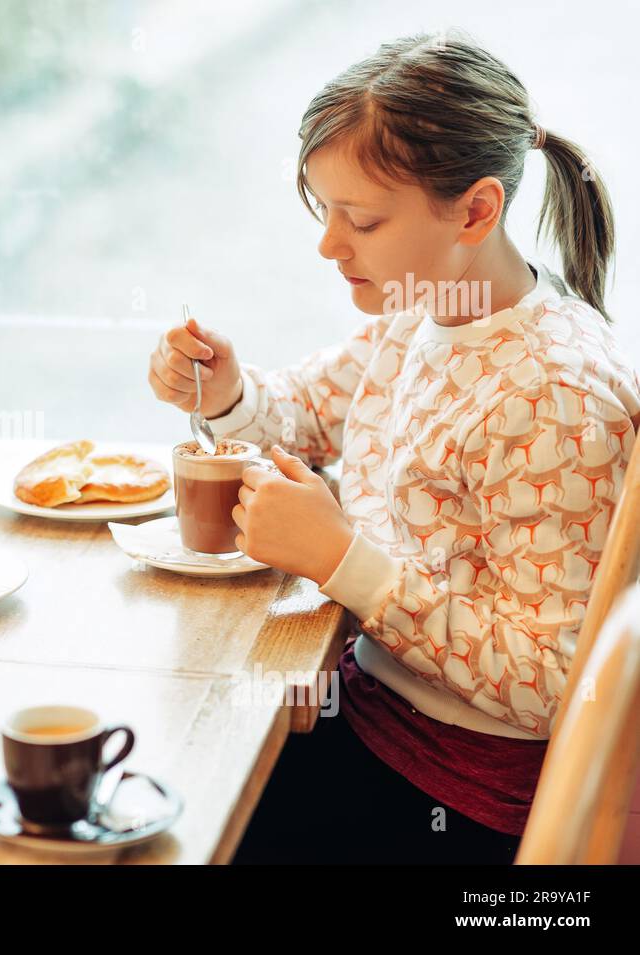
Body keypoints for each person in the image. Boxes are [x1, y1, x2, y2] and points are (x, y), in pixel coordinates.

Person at [148, 32, 639, 862]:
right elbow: (305, 413)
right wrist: (228, 391)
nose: (330, 245)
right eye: (325, 210)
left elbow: (556, 681)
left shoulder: (553, 396)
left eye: (362, 218)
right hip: (369, 712)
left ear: (476, 210)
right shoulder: (425, 307)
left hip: (453, 791)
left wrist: (344, 561)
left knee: (175, 824)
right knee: (158, 772)